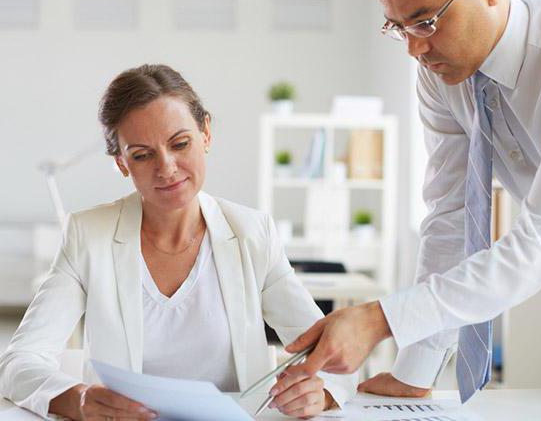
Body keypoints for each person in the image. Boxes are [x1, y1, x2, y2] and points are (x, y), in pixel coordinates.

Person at [275, 0, 541, 414]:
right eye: (397, 26)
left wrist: (380, 320)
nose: (414, 49)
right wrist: (415, 370)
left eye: (426, 20)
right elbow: (450, 218)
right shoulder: (442, 75)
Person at [0, 64, 357, 419]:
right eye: (142, 155)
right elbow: (19, 361)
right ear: (122, 163)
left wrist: (320, 392)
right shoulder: (87, 236)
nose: (166, 167)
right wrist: (75, 399)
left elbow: (333, 354)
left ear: (205, 134)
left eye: (180, 143)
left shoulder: (252, 233)